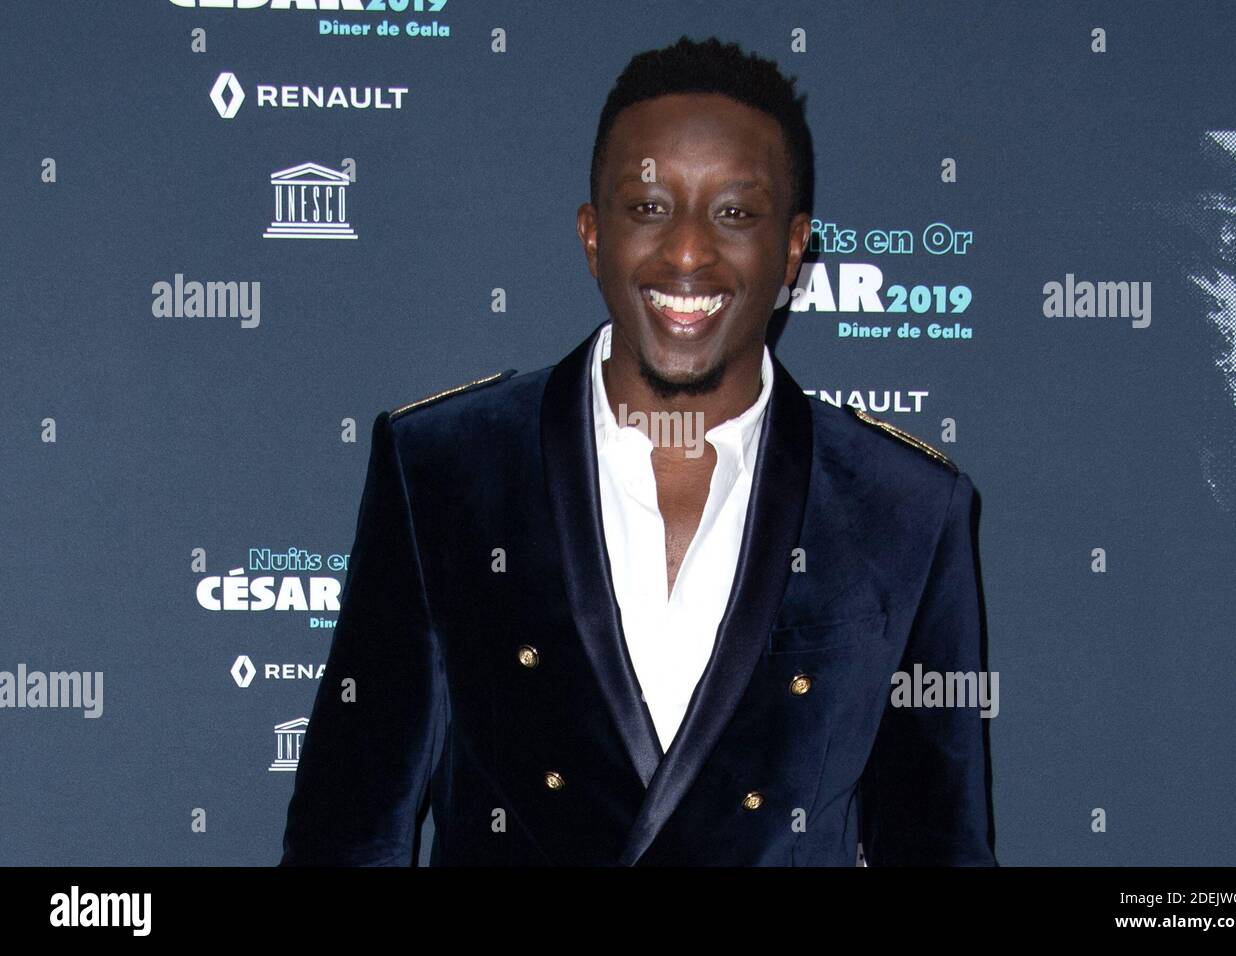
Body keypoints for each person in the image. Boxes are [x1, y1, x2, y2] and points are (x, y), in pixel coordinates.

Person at [280, 35, 996, 866]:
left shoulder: (903, 507)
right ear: (592, 235)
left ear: (795, 247)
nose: (687, 252)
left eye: (734, 212)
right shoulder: (446, 469)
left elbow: (938, 847)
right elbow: (349, 834)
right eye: (648, 208)